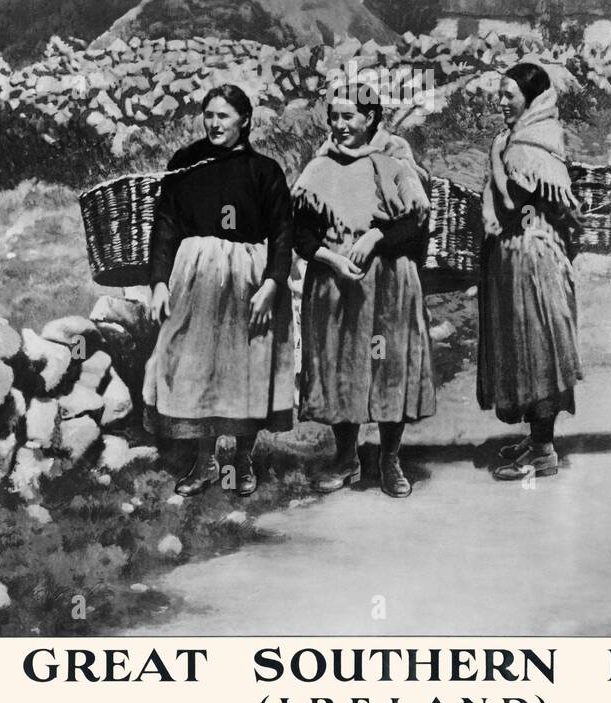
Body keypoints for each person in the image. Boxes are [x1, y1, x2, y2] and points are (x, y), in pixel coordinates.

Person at [144, 84, 294, 497]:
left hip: (250, 279)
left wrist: (273, 284)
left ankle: (242, 460)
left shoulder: (264, 171)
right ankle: (205, 460)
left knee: (247, 365)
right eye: (208, 115)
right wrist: (158, 281)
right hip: (194, 276)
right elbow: (166, 223)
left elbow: (283, 231)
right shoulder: (185, 164)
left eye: (223, 115)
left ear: (245, 120)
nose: (214, 123)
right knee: (195, 364)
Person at [291, 83, 434, 498]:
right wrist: (330, 258)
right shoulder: (319, 167)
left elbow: (414, 225)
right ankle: (346, 457)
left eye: (348, 117)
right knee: (340, 366)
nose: (339, 126)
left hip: (388, 281)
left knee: (387, 365)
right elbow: (301, 231)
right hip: (337, 282)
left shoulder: (395, 160)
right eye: (333, 117)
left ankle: (389, 459)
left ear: (370, 118)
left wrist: (376, 235)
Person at [477, 61, 582, 480]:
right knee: (523, 348)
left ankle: (542, 452)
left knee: (536, 348)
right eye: (500, 93)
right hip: (519, 255)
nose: (501, 101)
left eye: (509, 95)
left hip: (532, 259)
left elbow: (510, 204)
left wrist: (494, 162)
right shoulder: (520, 136)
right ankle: (538, 440)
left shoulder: (528, 145)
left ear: (531, 98)